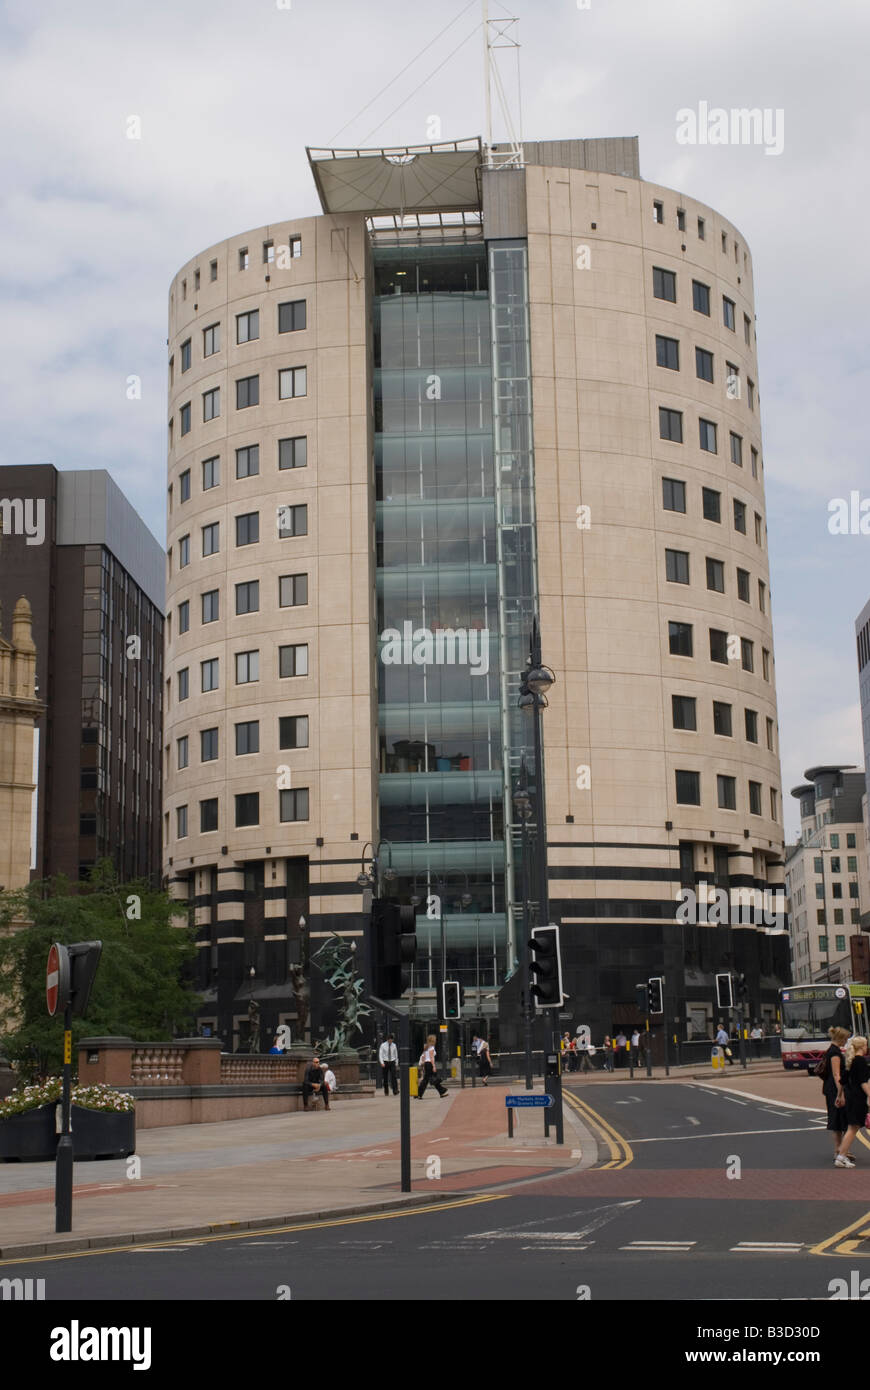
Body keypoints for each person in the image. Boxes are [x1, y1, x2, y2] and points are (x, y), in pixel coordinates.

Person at [836, 1035, 870, 1167]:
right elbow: (863, 1083)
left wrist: (839, 1096)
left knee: (852, 1127)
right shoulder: (860, 1061)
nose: (867, 1047)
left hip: (851, 1098)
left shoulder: (850, 1061)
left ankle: (841, 1156)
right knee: (853, 1128)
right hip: (858, 1099)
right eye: (866, 1045)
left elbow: (842, 1081)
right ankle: (841, 1156)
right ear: (862, 1047)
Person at [819, 1026, 850, 1163]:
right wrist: (840, 1094)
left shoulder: (830, 1051)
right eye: (846, 1039)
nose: (846, 1041)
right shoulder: (835, 1053)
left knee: (838, 1118)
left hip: (829, 1087)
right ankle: (839, 1150)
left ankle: (840, 1149)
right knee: (837, 1118)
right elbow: (836, 1074)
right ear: (841, 1038)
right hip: (834, 1089)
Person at [417, 1035, 448, 1099]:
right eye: (435, 1039)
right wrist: (434, 1066)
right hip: (430, 1064)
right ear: (433, 1040)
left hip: (426, 1064)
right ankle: (419, 1093)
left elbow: (423, 1057)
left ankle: (441, 1092)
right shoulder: (431, 1048)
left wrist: (423, 1064)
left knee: (433, 1079)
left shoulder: (426, 1047)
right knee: (427, 1079)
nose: (436, 1041)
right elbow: (431, 1058)